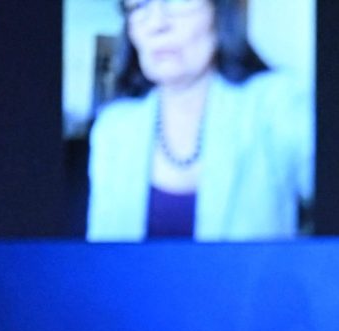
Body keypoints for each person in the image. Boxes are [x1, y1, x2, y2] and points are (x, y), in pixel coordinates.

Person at [83, 0, 312, 241]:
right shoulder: (114, 129)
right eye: (139, 6)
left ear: (219, 10)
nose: (156, 23)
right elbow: (103, 263)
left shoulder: (278, 104)